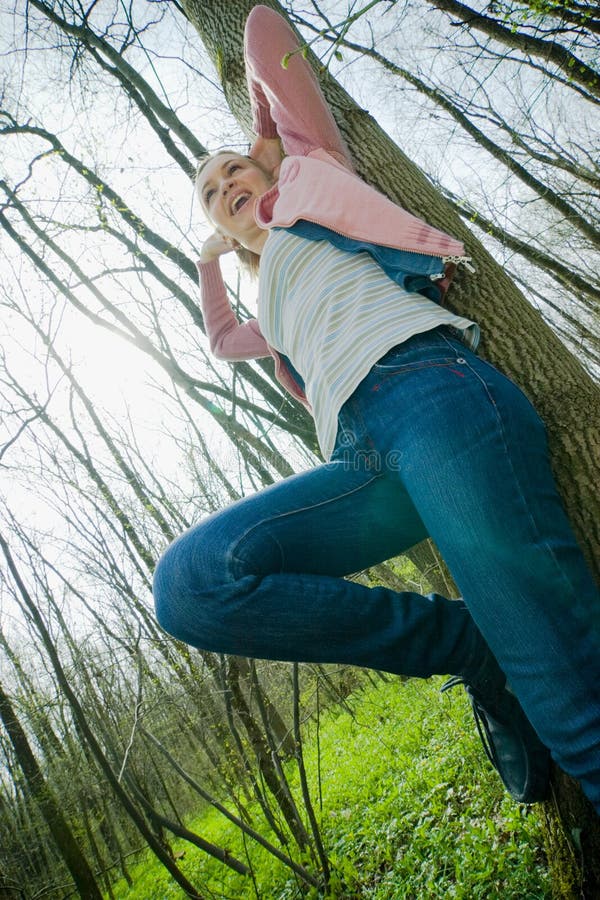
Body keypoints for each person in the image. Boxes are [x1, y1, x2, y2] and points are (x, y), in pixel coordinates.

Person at [154, 5, 600, 813]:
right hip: (357, 459)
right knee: (192, 585)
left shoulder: (312, 184)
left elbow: (261, 31)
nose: (227, 190)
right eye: (214, 196)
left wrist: (265, 145)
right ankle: (468, 645)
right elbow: (223, 339)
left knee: (573, 711)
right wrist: (210, 258)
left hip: (430, 394)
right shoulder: (272, 302)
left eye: (232, 173)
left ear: (267, 165)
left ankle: (518, 666)